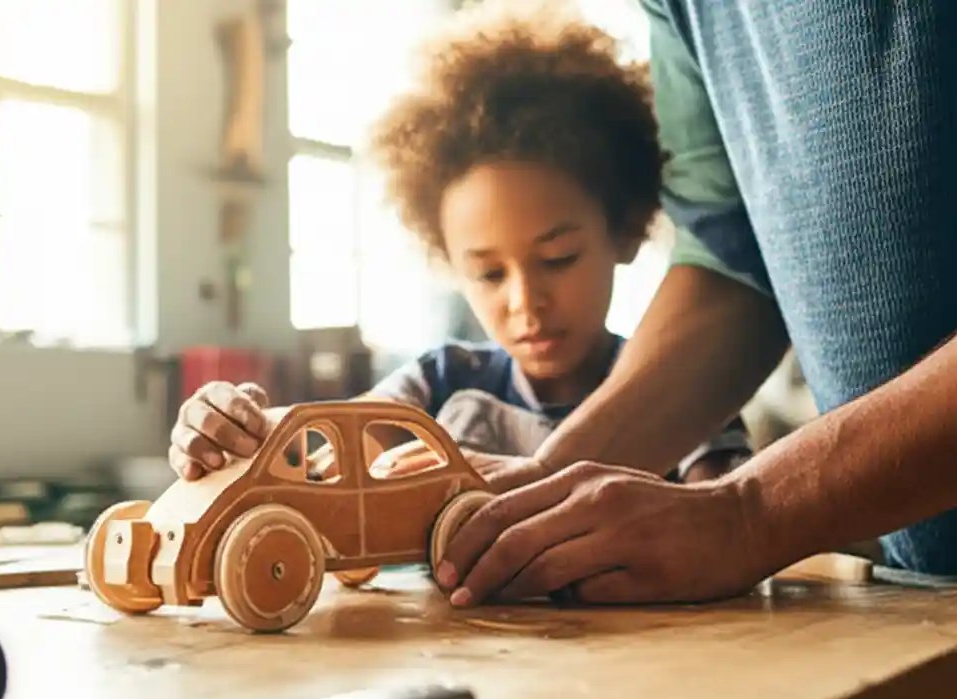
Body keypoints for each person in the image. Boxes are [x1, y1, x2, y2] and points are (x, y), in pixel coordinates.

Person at [434, 0, 957, 609]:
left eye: (558, 258)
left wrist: (747, 514)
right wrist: (553, 478)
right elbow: (735, 264)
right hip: (928, 588)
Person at [166, 9, 750, 510]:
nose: (525, 303)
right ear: (448, 261)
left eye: (559, 257)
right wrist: (229, 431)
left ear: (624, 230)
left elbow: (721, 523)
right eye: (490, 274)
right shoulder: (439, 384)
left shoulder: (685, 386)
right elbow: (312, 466)